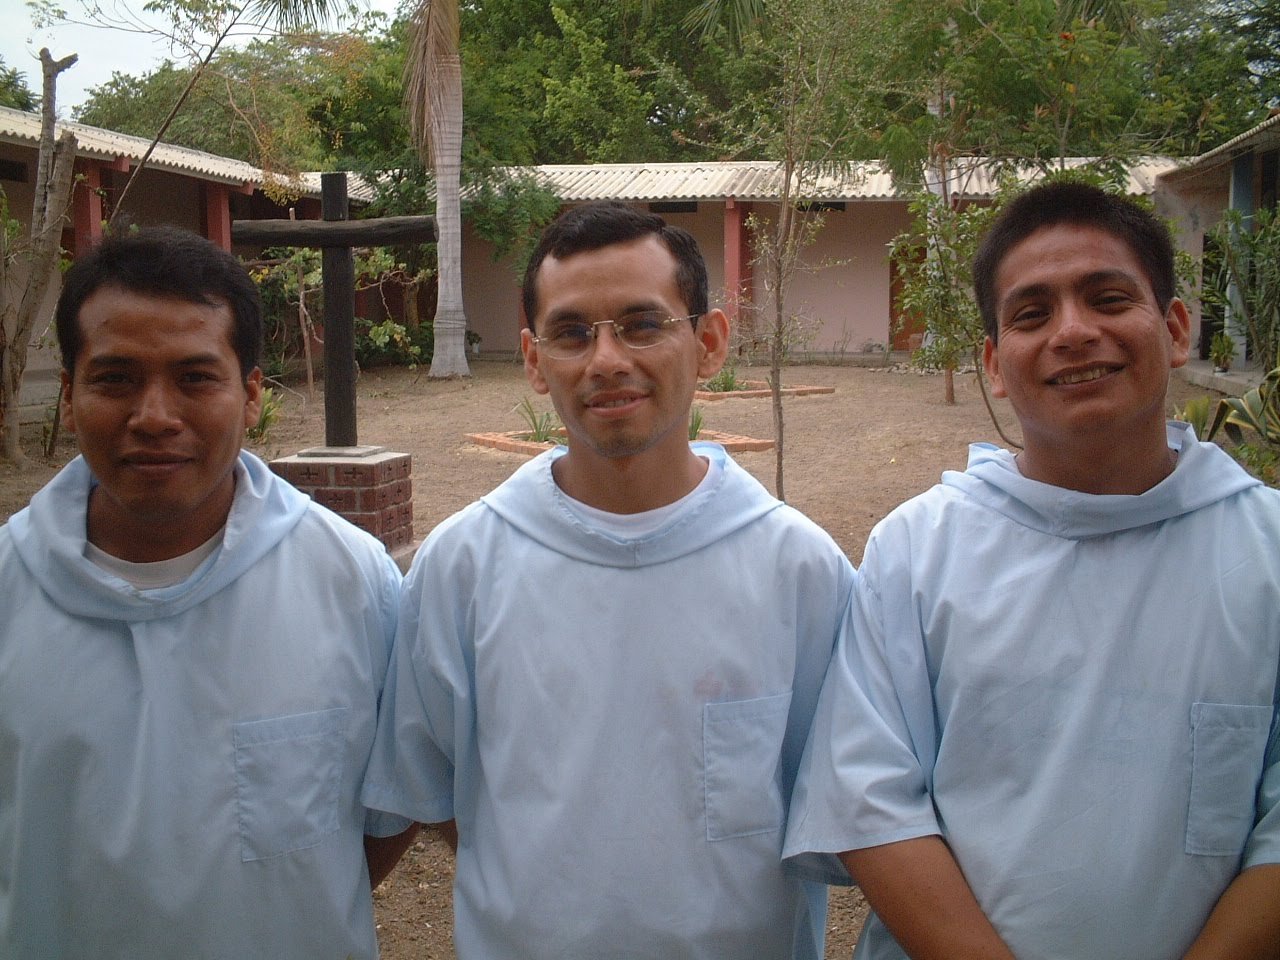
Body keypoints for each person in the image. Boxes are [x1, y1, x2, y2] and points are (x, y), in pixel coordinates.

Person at [783, 180, 1280, 959]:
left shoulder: (1267, 552)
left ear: (1176, 328)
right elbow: (871, 802)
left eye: (1108, 298)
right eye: (1032, 313)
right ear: (994, 363)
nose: (1074, 332)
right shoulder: (918, 552)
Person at [361, 201, 855, 959]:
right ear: (533, 360)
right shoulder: (464, 565)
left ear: (710, 341)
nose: (606, 360)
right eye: (571, 333)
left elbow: (830, 804)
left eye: (642, 323)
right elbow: (440, 787)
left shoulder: (799, 569)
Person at [0, 227, 416, 958]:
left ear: (251, 393)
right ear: (69, 396)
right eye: (115, 378)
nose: (155, 416)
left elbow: (385, 818)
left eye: (195, 377)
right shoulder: (8, 586)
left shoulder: (351, 580)